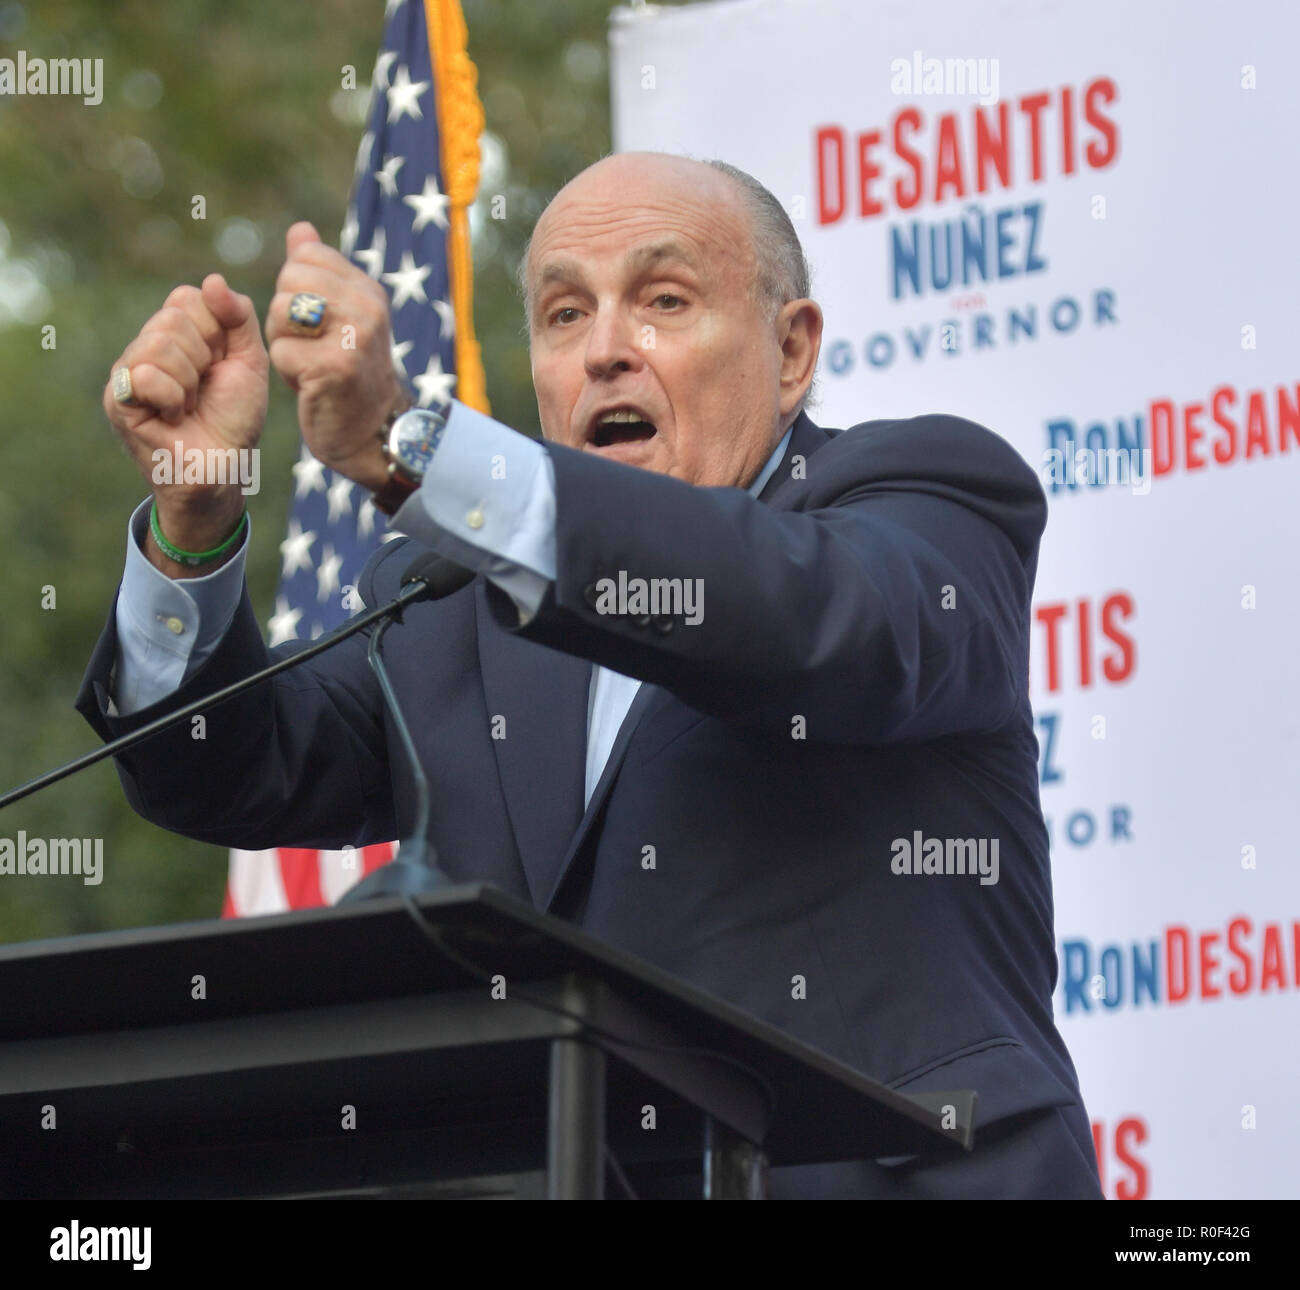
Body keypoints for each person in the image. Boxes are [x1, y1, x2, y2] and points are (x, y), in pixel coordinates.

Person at [78, 151, 1102, 1199]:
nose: (607, 350)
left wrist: (406, 446)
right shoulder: (452, 601)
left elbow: (805, 621)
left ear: (791, 350)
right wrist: (191, 533)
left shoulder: (926, 498)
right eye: (565, 315)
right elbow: (226, 765)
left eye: (662, 300)